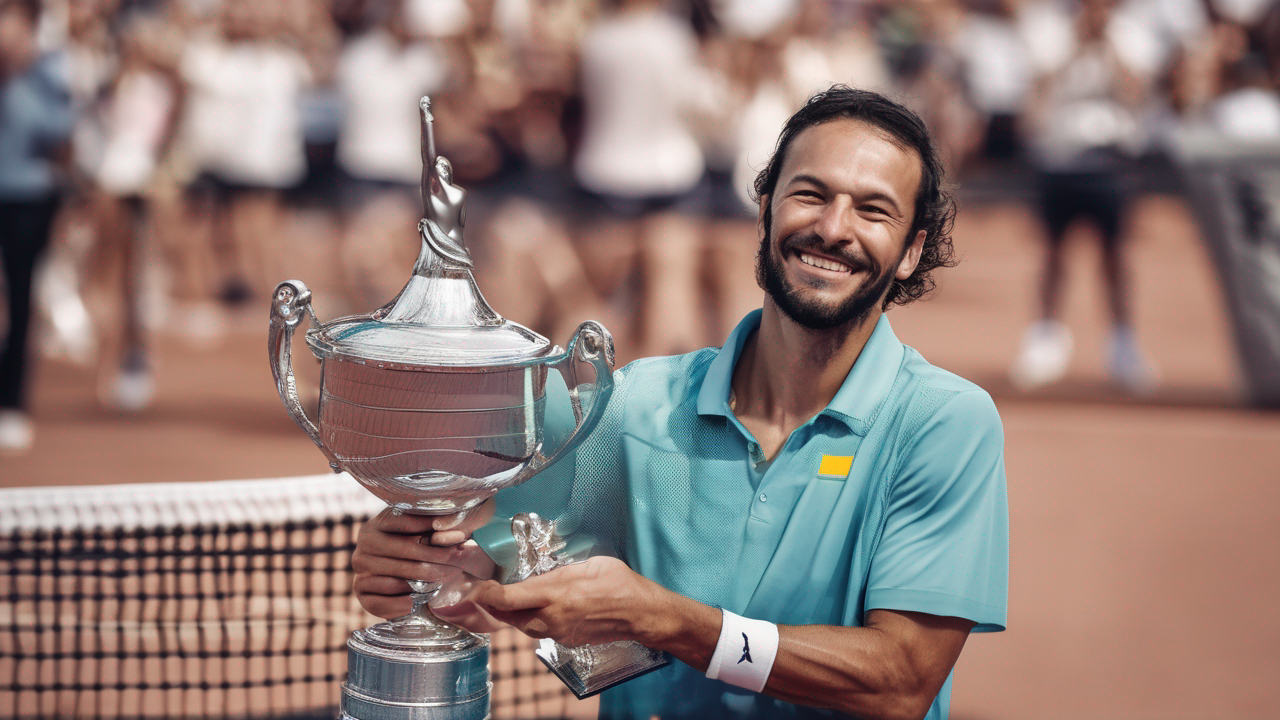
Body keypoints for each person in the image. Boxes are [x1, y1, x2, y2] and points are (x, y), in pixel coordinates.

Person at [352, 86, 1008, 720]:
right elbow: (505, 556)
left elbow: (901, 680)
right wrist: (425, 567)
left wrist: (665, 619)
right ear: (765, 208)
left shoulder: (943, 424)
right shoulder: (631, 408)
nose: (833, 228)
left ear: (910, 251)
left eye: (873, 210)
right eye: (810, 194)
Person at [0, 0, 75, 452]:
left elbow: (58, 131)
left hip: (29, 199)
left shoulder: (48, 73)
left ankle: (10, 399)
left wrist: (18, 79)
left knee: (21, 296)